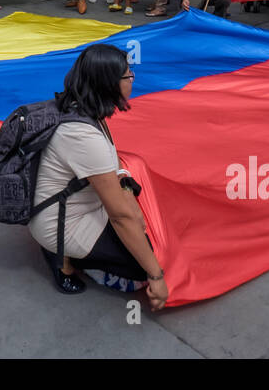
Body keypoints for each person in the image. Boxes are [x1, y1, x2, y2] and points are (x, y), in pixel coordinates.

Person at [28, 44, 168, 310]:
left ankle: (74, 251)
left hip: (70, 205)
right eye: (128, 76)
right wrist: (156, 276)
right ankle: (63, 259)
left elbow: (114, 163)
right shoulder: (82, 136)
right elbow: (120, 217)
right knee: (140, 273)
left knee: (138, 226)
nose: (133, 80)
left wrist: (126, 189)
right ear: (109, 84)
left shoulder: (79, 106)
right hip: (59, 222)